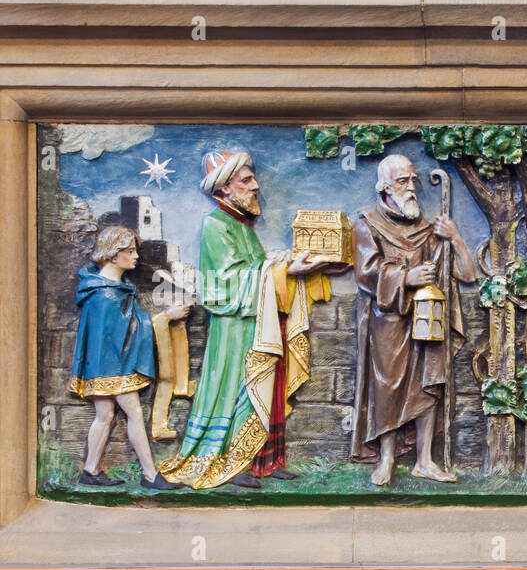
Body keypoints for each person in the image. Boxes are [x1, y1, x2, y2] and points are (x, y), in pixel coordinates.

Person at [160, 150, 336, 489]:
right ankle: (234, 462)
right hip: (235, 329)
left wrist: (290, 265)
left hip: (257, 324)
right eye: (246, 180)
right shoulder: (216, 225)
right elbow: (225, 282)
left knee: (266, 390)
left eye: (253, 178)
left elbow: (256, 268)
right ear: (224, 188)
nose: (256, 186)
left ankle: (266, 461)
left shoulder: (240, 225)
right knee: (239, 391)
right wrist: (284, 269)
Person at [351, 154, 475, 486]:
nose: (411, 187)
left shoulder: (430, 230)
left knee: (430, 381)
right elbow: (366, 273)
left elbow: (465, 274)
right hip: (388, 319)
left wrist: (456, 238)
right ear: (384, 187)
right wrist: (406, 277)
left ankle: (425, 460)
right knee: (388, 385)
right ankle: (387, 457)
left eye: (413, 180)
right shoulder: (367, 224)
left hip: (428, 316)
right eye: (402, 181)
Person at [70, 226, 184, 490]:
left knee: (105, 415)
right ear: (112, 254)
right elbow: (130, 328)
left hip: (102, 364)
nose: (135, 257)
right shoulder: (106, 294)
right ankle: (150, 475)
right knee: (133, 412)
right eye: (129, 251)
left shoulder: (105, 288)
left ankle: (90, 469)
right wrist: (167, 317)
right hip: (113, 365)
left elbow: (122, 328)